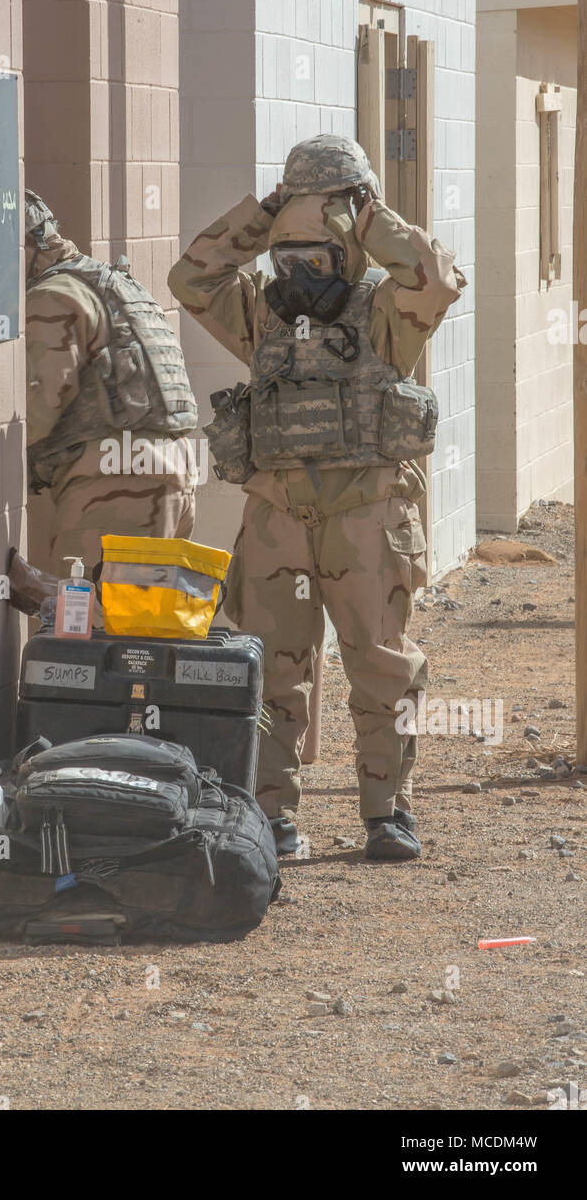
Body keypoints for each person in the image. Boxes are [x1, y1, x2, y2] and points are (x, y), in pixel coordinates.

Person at [167, 136, 466, 860]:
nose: (300, 274)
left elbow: (438, 280)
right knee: (272, 667)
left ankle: (387, 812)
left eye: (318, 256)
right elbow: (191, 277)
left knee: (382, 664)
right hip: (277, 517)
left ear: (349, 247)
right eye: (287, 256)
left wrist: (369, 217)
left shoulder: (386, 315)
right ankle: (272, 814)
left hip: (366, 513)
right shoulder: (263, 318)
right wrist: (264, 212)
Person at [24, 190, 198, 577]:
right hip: (166, 475)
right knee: (140, 623)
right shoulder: (108, 281)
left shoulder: (53, 296)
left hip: (117, 491)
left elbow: (38, 407)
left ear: (26, 246)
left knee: (90, 624)